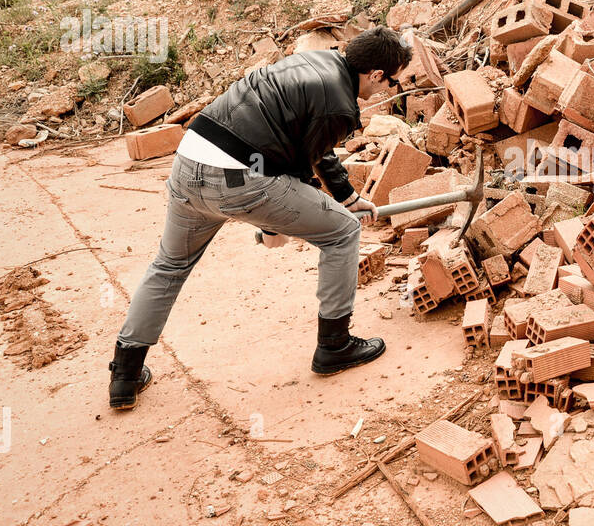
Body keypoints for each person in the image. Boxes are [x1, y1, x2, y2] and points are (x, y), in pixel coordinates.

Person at [106, 26, 413, 410]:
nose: (388, 90)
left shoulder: (315, 61)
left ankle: (125, 375)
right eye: (392, 82)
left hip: (188, 164)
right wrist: (274, 226)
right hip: (239, 179)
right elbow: (300, 167)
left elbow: (312, 146)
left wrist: (347, 195)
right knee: (342, 232)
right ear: (377, 74)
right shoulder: (340, 104)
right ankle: (335, 346)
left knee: (169, 266)